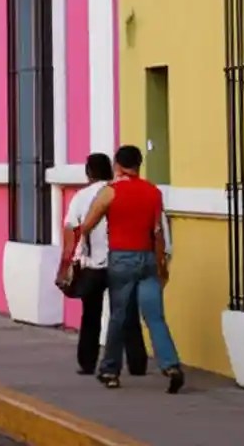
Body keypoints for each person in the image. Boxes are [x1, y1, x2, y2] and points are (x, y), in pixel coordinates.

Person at [82, 145, 185, 393]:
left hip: (121, 259)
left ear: (117, 165)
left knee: (119, 316)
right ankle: (171, 365)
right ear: (139, 164)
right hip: (148, 258)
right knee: (155, 317)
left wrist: (86, 245)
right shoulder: (153, 192)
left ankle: (110, 371)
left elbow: (87, 223)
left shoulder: (110, 192)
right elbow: (158, 231)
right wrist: (161, 265)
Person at [60, 153, 148, 376]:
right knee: (127, 313)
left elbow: (71, 231)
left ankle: (87, 363)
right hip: (121, 260)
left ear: (89, 172)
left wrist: (65, 264)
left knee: (91, 314)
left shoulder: (81, 197)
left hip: (92, 265)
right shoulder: (117, 192)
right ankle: (137, 364)